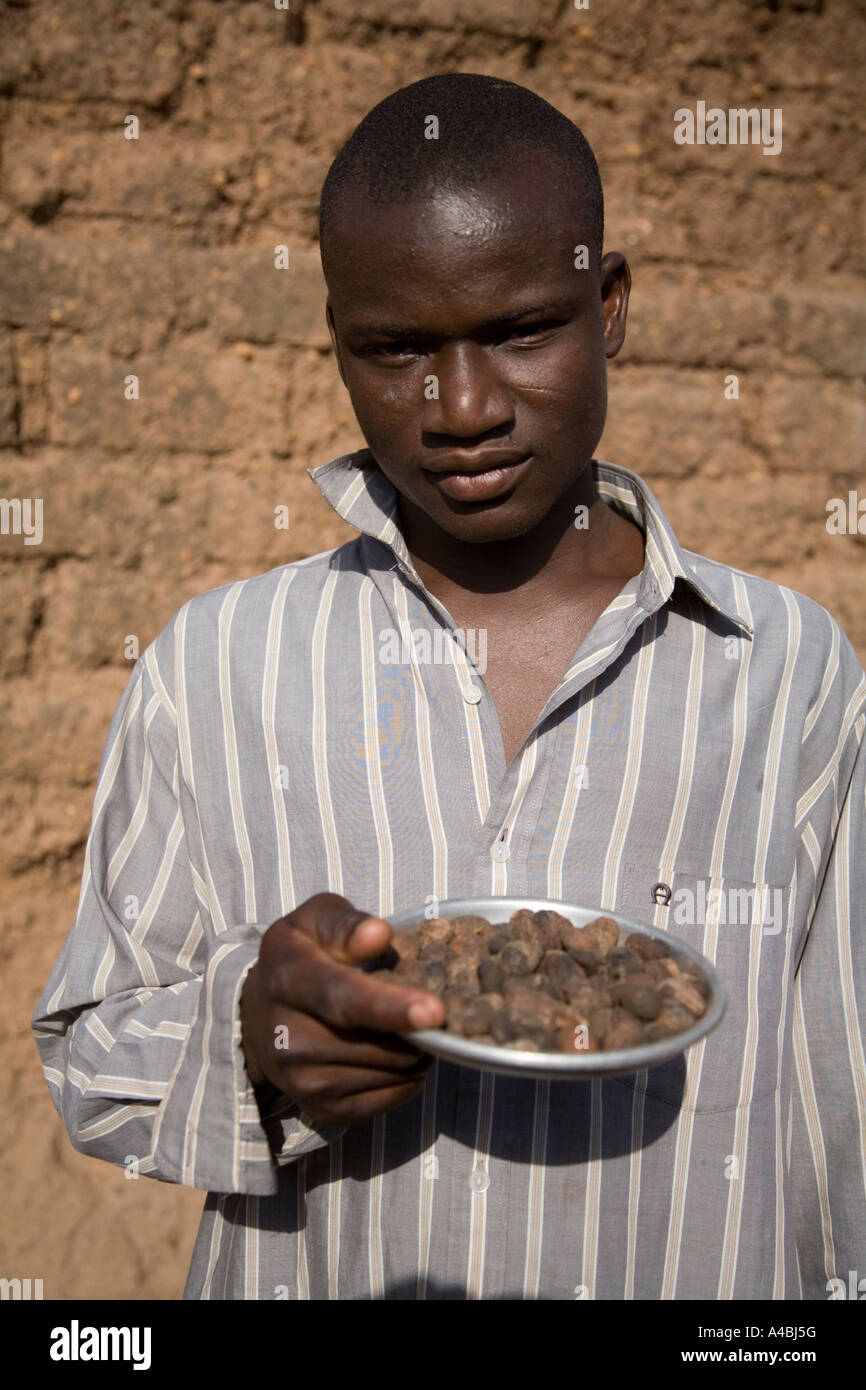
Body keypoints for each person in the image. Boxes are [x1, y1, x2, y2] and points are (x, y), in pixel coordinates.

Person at [32, 73, 865, 1301]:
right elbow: (91, 1052)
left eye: (523, 329)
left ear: (610, 306)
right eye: (395, 349)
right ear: (336, 344)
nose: (461, 408)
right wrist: (252, 1041)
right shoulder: (212, 666)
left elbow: (836, 1108)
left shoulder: (785, 670)